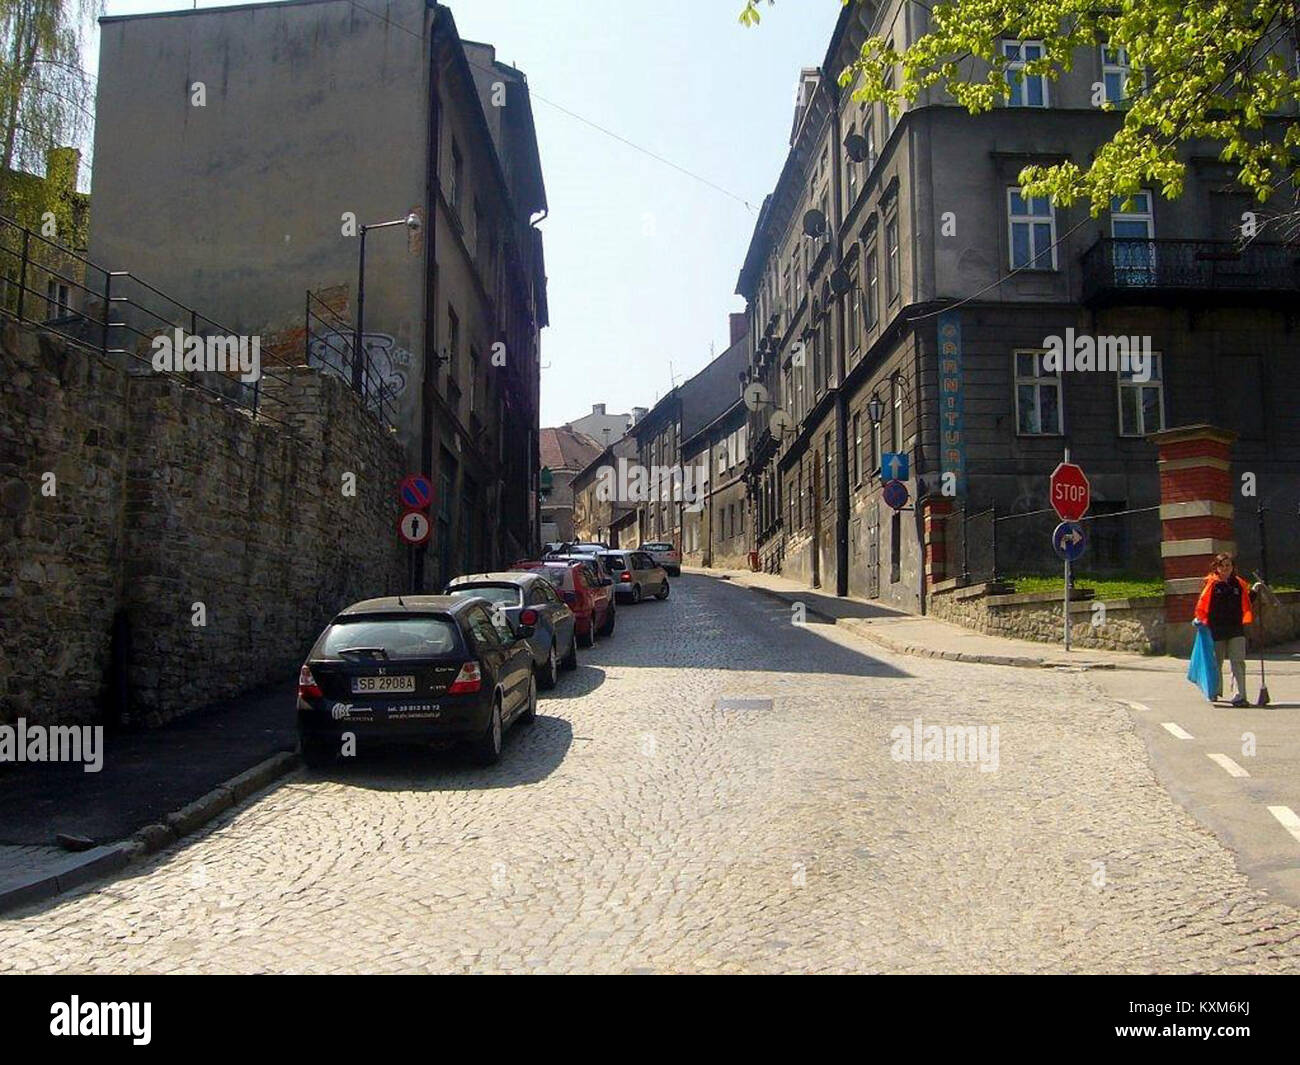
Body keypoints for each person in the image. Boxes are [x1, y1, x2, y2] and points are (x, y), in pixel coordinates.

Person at [1193, 553, 1255, 707]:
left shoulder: (1238, 584)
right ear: (1217, 567)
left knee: (1238, 662)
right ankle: (1214, 690)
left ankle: (1240, 695)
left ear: (1233, 567)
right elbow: (1203, 604)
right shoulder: (1211, 584)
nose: (1225, 568)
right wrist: (1200, 620)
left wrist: (1254, 593)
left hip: (1236, 629)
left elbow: (1245, 603)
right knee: (1216, 663)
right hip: (1216, 630)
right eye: (1222, 565)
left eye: (1228, 565)